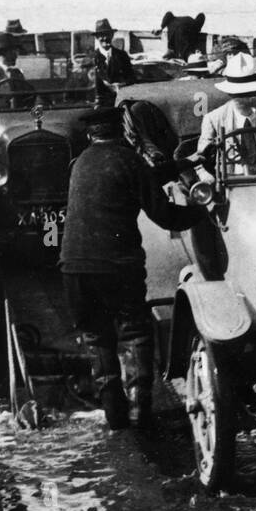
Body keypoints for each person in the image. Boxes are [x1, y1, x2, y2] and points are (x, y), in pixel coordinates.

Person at [60, 106, 207, 431]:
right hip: (117, 265)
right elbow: (164, 215)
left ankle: (115, 417)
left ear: (90, 135)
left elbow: (135, 179)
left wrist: (184, 163)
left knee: (97, 336)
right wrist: (201, 210)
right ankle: (142, 411)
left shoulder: (80, 163)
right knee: (136, 331)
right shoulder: (129, 160)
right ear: (122, 132)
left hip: (74, 267)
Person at [0, 31, 36, 108]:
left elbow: (30, 94)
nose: (16, 55)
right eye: (13, 51)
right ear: (2, 52)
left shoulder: (16, 73)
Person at [92, 18, 135, 105]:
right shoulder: (92, 58)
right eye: (101, 35)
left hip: (120, 102)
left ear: (112, 35)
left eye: (107, 34)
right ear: (97, 37)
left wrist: (121, 85)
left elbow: (132, 79)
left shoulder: (122, 56)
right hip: (99, 106)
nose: (105, 38)